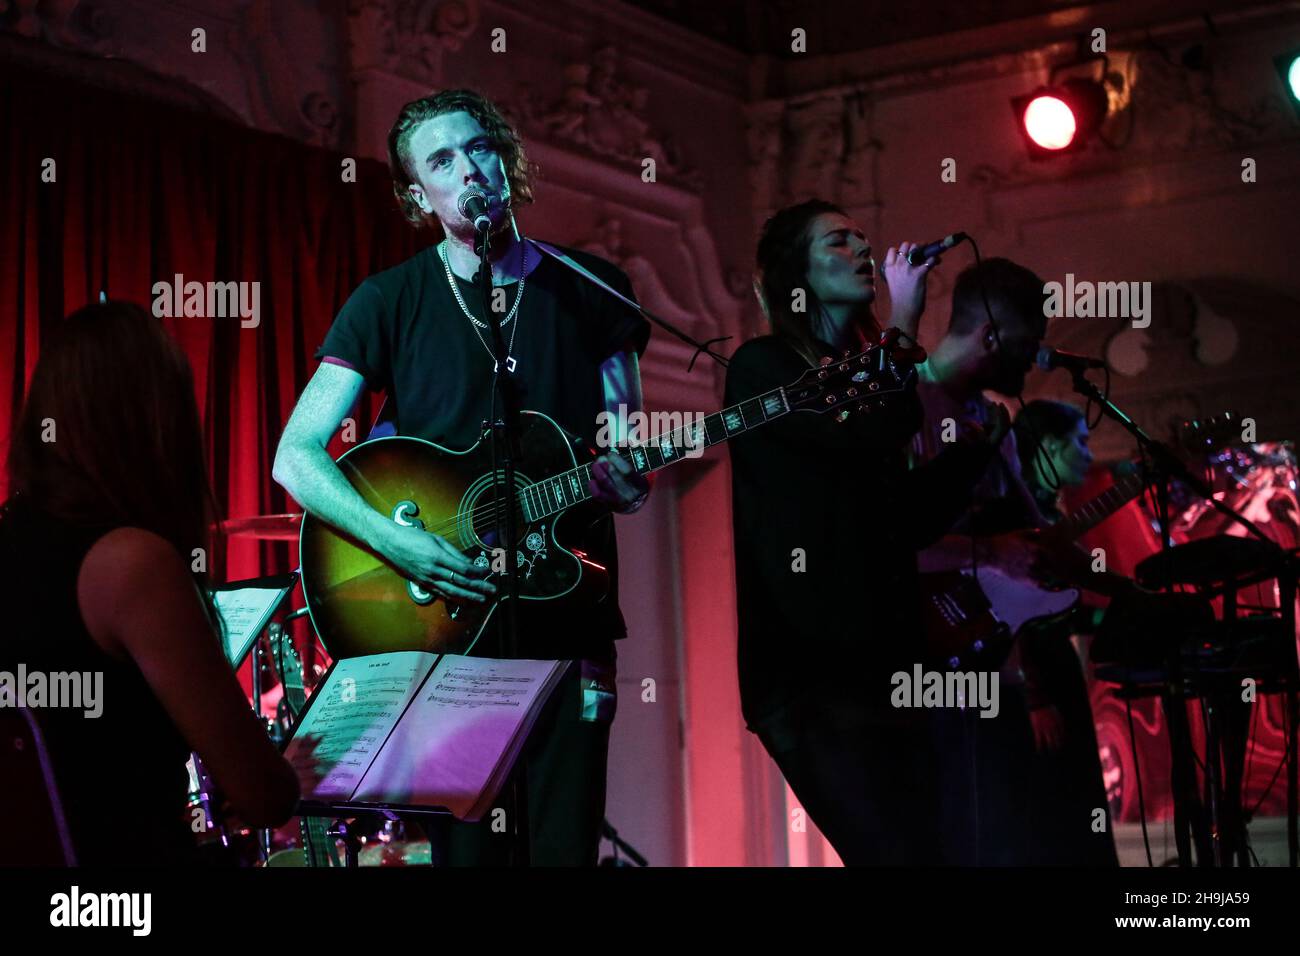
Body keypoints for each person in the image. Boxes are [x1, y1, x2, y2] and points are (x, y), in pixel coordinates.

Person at [273, 88, 651, 866]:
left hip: (568, 620)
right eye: (442, 160)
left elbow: (627, 441)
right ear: (418, 194)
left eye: (479, 148)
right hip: (444, 631)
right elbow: (296, 456)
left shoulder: (594, 288)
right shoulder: (389, 301)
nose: (469, 169)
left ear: (505, 159)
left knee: (563, 851)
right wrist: (399, 546)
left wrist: (626, 477)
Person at [725, 199, 1005, 865]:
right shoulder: (762, 369)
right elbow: (869, 427)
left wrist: (972, 455)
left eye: (861, 238)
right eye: (838, 242)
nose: (862, 250)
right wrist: (906, 321)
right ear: (796, 273)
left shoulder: (870, 371)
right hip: (810, 675)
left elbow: (897, 518)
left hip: (888, 662)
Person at [0, 301, 302, 865]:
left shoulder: (12, 535)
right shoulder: (132, 564)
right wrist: (298, 765)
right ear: (154, 420)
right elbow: (264, 797)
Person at [910, 257, 1066, 865]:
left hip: (994, 669)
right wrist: (994, 551)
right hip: (924, 670)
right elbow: (886, 545)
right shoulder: (903, 407)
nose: (1036, 360)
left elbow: (1028, 535)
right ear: (991, 335)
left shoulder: (989, 418)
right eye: (1029, 345)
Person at [1011, 399, 1118, 865]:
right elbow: (1007, 617)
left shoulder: (1047, 517)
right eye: (1081, 442)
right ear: (1051, 447)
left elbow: (1057, 615)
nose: (1088, 455)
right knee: (1054, 817)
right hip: (1030, 686)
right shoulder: (1008, 514)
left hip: (1057, 674)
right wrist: (1034, 696)